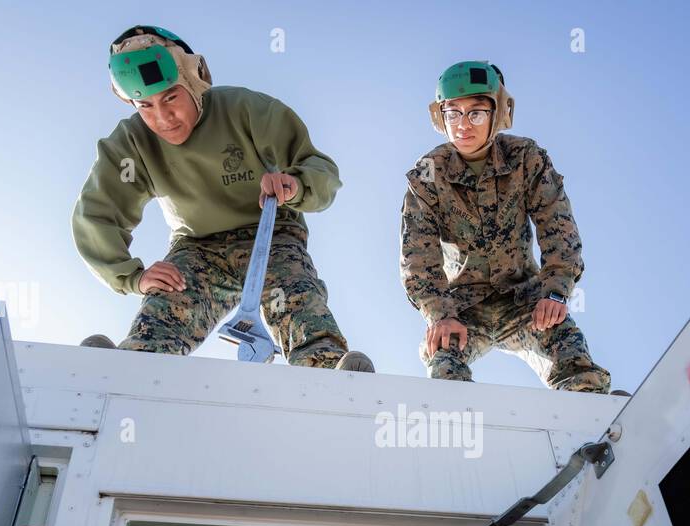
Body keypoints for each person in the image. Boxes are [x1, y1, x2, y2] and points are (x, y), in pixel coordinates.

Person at [72, 24, 373, 371]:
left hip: (270, 235)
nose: (162, 118)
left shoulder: (245, 109)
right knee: (166, 307)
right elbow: (96, 214)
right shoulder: (131, 144)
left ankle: (326, 371)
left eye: (171, 97)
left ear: (193, 80)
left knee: (295, 298)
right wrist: (130, 276)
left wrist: (296, 184)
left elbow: (319, 168)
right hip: (197, 246)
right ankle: (132, 366)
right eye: (145, 105)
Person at [400, 61, 612, 392]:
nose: (463, 125)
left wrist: (555, 291)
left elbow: (558, 227)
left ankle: (590, 416)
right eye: (452, 113)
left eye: (476, 113)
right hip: (462, 306)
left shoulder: (526, 158)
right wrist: (439, 314)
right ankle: (455, 422)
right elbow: (417, 256)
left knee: (569, 349)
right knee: (443, 362)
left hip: (525, 298)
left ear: (497, 114)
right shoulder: (429, 173)